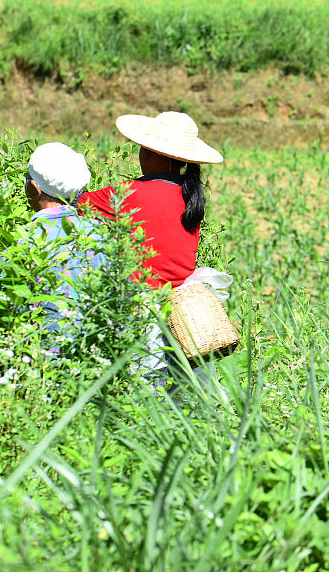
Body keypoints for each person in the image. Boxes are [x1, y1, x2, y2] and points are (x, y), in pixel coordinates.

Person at [78, 111, 226, 390]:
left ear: (161, 157)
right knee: (181, 399)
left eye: (144, 150)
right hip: (183, 314)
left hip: (141, 310)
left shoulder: (131, 192)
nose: (140, 156)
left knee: (142, 392)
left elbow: (80, 203)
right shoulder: (190, 196)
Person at [23, 142, 109, 348]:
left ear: (33, 188)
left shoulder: (27, 238)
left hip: (41, 358)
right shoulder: (99, 232)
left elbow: (12, 302)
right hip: (92, 353)